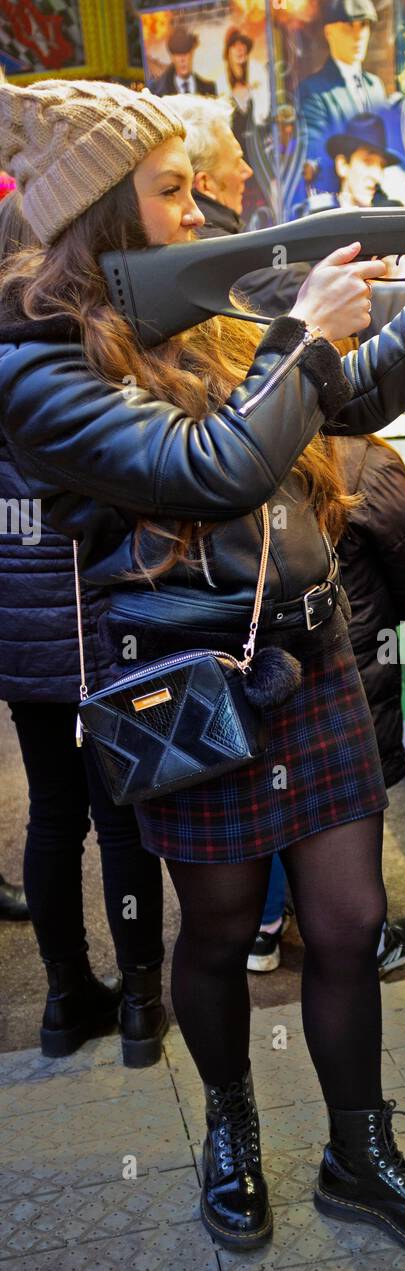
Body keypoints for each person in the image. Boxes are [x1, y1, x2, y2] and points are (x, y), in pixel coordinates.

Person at [0, 75, 405, 1257]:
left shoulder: (196, 314)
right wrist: (302, 330)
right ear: (104, 215)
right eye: (169, 191)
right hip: (192, 681)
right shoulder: (38, 370)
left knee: (349, 923)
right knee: (212, 933)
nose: (199, 208)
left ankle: (358, 1153)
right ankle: (232, 1129)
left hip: (306, 656)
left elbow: (341, 398)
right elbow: (212, 466)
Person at [0, 192, 166, 1064]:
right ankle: (141, 999)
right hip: (99, 614)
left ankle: (68, 999)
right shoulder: (76, 341)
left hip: (20, 624)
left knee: (53, 816)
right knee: (123, 815)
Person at [248, 428, 405, 976]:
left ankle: (263, 930)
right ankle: (363, 939)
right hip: (346, 656)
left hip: (263, 659)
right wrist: (389, 615)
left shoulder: (241, 441)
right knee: (347, 800)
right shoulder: (367, 460)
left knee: (271, 786)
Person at [161, 94, 310, 316]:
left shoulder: (207, 238)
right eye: (236, 161)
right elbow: (288, 284)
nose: (247, 171)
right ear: (204, 183)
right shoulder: (208, 250)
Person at [296, 0, 387, 182]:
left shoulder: (375, 86)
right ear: (329, 32)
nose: (358, 35)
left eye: (364, 25)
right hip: (340, 200)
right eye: (348, 26)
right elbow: (316, 159)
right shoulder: (313, 91)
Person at [149, 26, 218, 98]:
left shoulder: (209, 89)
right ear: (172, 57)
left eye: (185, 53)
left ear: (192, 54)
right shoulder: (157, 93)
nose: (182, 60)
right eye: (178, 54)